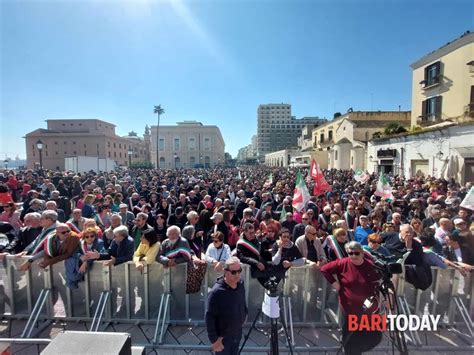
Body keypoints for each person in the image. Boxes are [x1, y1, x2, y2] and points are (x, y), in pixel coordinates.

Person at [320, 241, 382, 355]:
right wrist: (335, 284)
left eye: (356, 253)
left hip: (368, 310)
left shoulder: (370, 266)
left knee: (374, 337)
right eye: (350, 253)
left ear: (362, 253)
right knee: (350, 342)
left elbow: (379, 284)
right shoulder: (342, 263)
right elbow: (324, 269)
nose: (353, 256)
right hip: (349, 309)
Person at [206, 257, 247, 355]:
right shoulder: (216, 292)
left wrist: (245, 314)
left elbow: (242, 302)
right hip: (223, 338)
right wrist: (215, 341)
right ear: (225, 271)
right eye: (233, 272)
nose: (237, 275)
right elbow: (209, 317)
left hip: (237, 333)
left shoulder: (240, 284)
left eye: (239, 271)